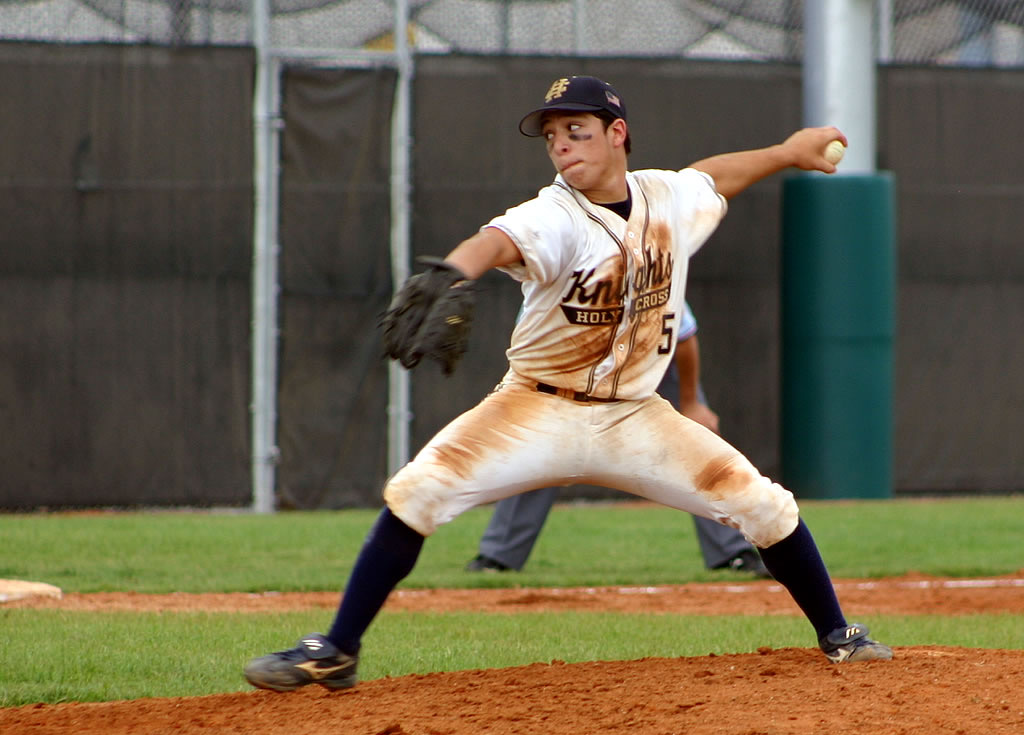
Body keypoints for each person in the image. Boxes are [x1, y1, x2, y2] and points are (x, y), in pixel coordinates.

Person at [244, 74, 893, 693]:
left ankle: (839, 634)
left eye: (576, 130)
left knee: (762, 504)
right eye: (551, 134)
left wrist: (786, 152)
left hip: (636, 417)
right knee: (419, 490)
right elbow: (495, 241)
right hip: (536, 408)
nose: (560, 145)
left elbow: (715, 177)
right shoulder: (552, 215)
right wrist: (451, 272)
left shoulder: (668, 197)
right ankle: (336, 653)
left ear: (618, 133)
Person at [466, 301, 769, 576]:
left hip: (649, 361)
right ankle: (498, 557)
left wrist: (690, 402)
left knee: (700, 448)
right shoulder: (553, 281)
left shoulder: (649, 272)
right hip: (578, 364)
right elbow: (530, 355)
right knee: (540, 447)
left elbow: (684, 337)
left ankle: (733, 552)